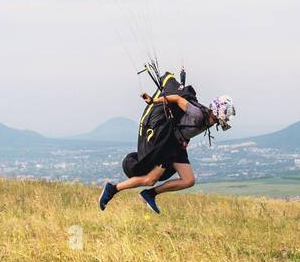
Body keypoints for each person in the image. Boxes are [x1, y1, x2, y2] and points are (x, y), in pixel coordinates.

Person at [99, 88, 235, 215]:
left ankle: (150, 194)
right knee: (150, 179)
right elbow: (176, 99)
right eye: (226, 115)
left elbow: (187, 128)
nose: (227, 119)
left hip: (178, 147)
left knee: (188, 180)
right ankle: (112, 189)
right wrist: (153, 101)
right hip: (169, 145)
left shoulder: (208, 119)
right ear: (219, 111)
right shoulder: (198, 114)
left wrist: (185, 140)